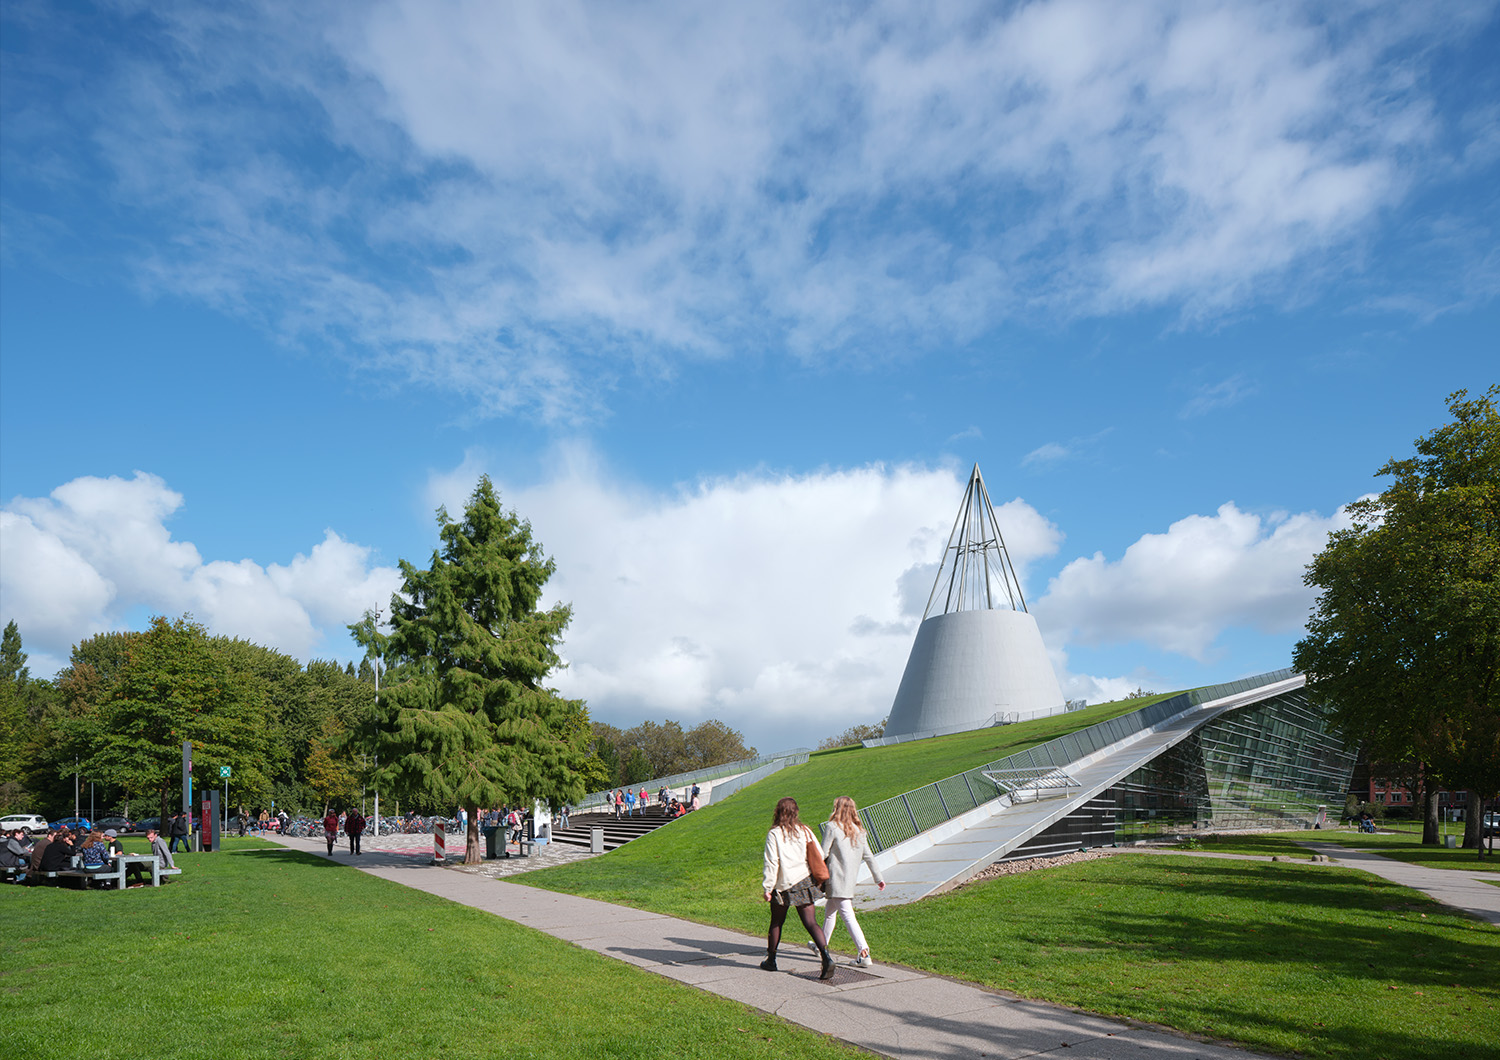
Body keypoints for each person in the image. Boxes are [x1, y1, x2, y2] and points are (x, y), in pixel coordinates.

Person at [760, 796, 836, 979]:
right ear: (796, 812)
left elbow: (772, 863)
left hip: (783, 884)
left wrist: (767, 888)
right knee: (811, 922)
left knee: (776, 922)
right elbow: (819, 854)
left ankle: (771, 960)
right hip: (804, 881)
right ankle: (826, 957)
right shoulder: (805, 830)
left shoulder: (774, 834)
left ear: (777, 812)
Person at [814, 796, 887, 968]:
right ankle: (820, 947)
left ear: (837, 809)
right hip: (849, 881)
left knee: (848, 916)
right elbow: (869, 857)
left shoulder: (832, 827)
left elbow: (822, 854)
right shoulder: (860, 831)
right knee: (830, 913)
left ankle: (864, 953)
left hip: (835, 880)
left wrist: (809, 869)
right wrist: (879, 878)